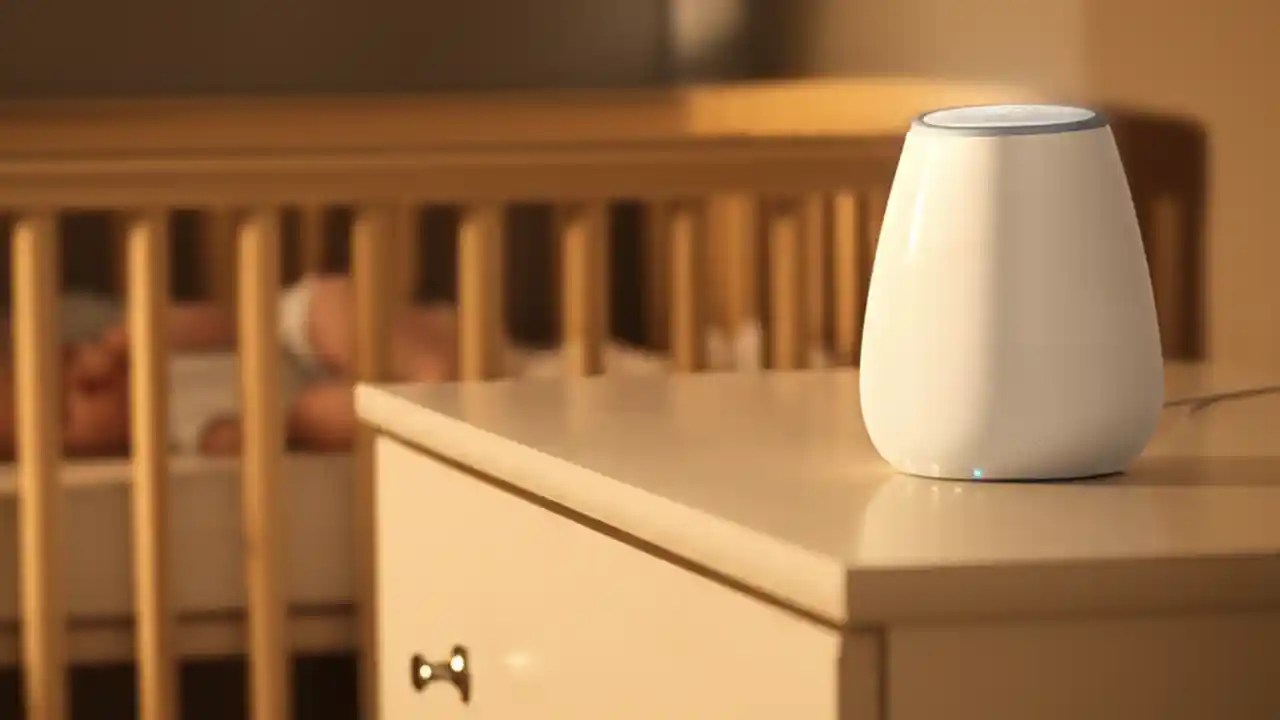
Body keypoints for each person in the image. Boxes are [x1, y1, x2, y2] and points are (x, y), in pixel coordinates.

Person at [0, 275, 459, 458]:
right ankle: (424, 400)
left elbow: (227, 320)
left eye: (67, 362)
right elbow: (247, 439)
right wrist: (249, 433)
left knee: (323, 306)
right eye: (64, 411)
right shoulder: (176, 429)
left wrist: (129, 339)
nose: (83, 381)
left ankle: (432, 367)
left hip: (290, 339)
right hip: (298, 397)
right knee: (310, 419)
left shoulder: (147, 342)